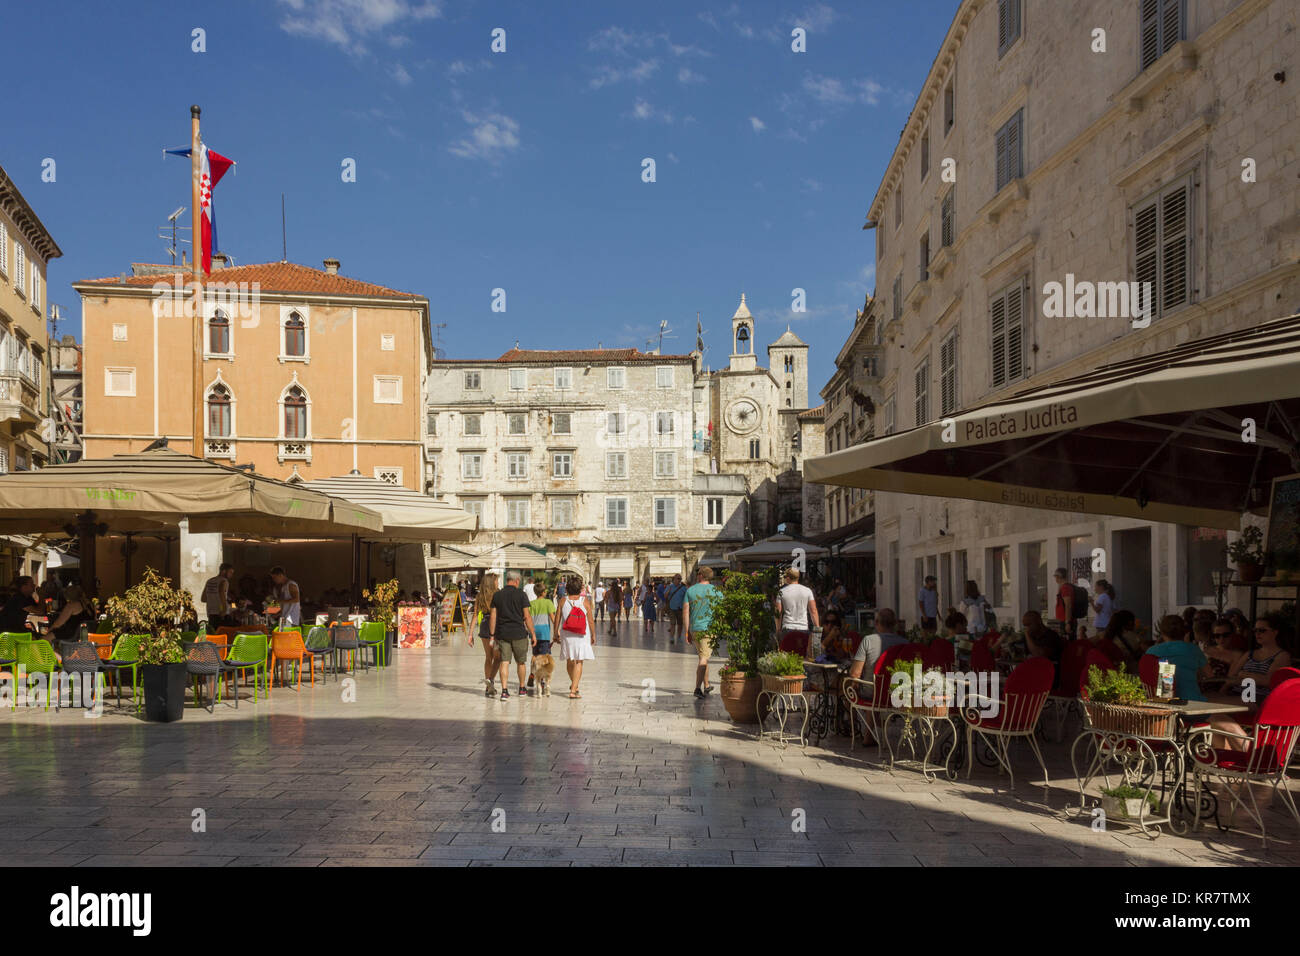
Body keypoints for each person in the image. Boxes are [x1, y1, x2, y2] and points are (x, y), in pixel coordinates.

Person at [489, 569, 535, 701]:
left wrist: (492, 635)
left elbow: (493, 616)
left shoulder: (497, 595)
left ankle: (504, 691)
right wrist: (533, 634)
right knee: (521, 662)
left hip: (503, 633)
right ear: (517, 581)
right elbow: (527, 616)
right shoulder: (521, 595)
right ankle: (521, 688)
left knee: (504, 662)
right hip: (519, 633)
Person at [1144, 615, 1210, 702]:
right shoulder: (1193, 649)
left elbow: (1147, 679)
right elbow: (1209, 674)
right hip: (1194, 702)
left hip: (1166, 703)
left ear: (1162, 633)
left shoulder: (1152, 651)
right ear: (1184, 632)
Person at [683, 567, 722, 698]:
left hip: (695, 629)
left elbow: (686, 612)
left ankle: (706, 685)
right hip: (709, 629)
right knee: (704, 658)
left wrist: (687, 631)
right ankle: (697, 688)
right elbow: (721, 611)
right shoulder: (716, 591)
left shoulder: (690, 590)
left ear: (700, 575)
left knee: (702, 657)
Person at [557, 575, 596, 698]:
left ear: (567, 588)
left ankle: (574, 685)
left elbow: (557, 618)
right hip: (581, 635)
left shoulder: (563, 600)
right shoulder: (584, 601)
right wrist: (593, 634)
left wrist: (554, 633)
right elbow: (590, 620)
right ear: (580, 588)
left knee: (569, 659)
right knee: (579, 661)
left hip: (567, 634)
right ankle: (573, 690)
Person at [847, 607, 907, 680]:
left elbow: (855, 673)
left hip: (872, 690)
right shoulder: (905, 643)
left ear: (876, 623)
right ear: (895, 623)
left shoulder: (868, 640)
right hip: (895, 690)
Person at [774, 568, 819, 658]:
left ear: (788, 578)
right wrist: (817, 628)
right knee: (802, 656)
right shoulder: (807, 591)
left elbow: (778, 612)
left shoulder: (781, 592)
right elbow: (813, 610)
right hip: (803, 628)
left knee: (786, 658)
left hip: (787, 628)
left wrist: (778, 629)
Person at [471, 573, 501, 697]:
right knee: (498, 657)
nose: (498, 583)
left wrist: (469, 634)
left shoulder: (480, 595)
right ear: (492, 582)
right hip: (496, 624)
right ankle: (491, 680)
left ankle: (488, 684)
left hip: (484, 625)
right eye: (497, 581)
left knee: (488, 657)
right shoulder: (498, 594)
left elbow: (474, 615)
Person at [526, 582, 557, 692]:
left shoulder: (531, 603)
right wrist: (557, 632)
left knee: (534, 654)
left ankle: (531, 674)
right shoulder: (548, 602)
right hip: (544, 633)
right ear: (543, 593)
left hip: (534, 632)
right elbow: (553, 618)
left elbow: (527, 618)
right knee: (544, 657)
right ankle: (542, 680)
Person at [201, 562, 235, 627]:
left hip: (211, 614)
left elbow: (203, 599)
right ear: (224, 571)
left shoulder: (209, 581)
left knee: (215, 635)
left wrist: (212, 598)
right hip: (222, 614)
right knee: (225, 635)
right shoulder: (224, 581)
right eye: (230, 572)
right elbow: (221, 593)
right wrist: (224, 610)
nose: (231, 575)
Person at [665, 573, 688, 644]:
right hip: (672, 608)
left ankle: (679, 637)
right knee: (672, 624)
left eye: (680, 579)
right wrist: (668, 592)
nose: (679, 580)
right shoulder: (670, 587)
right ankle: (672, 637)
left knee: (680, 624)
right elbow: (665, 596)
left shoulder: (683, 588)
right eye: (678, 579)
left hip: (680, 609)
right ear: (674, 579)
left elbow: (687, 597)